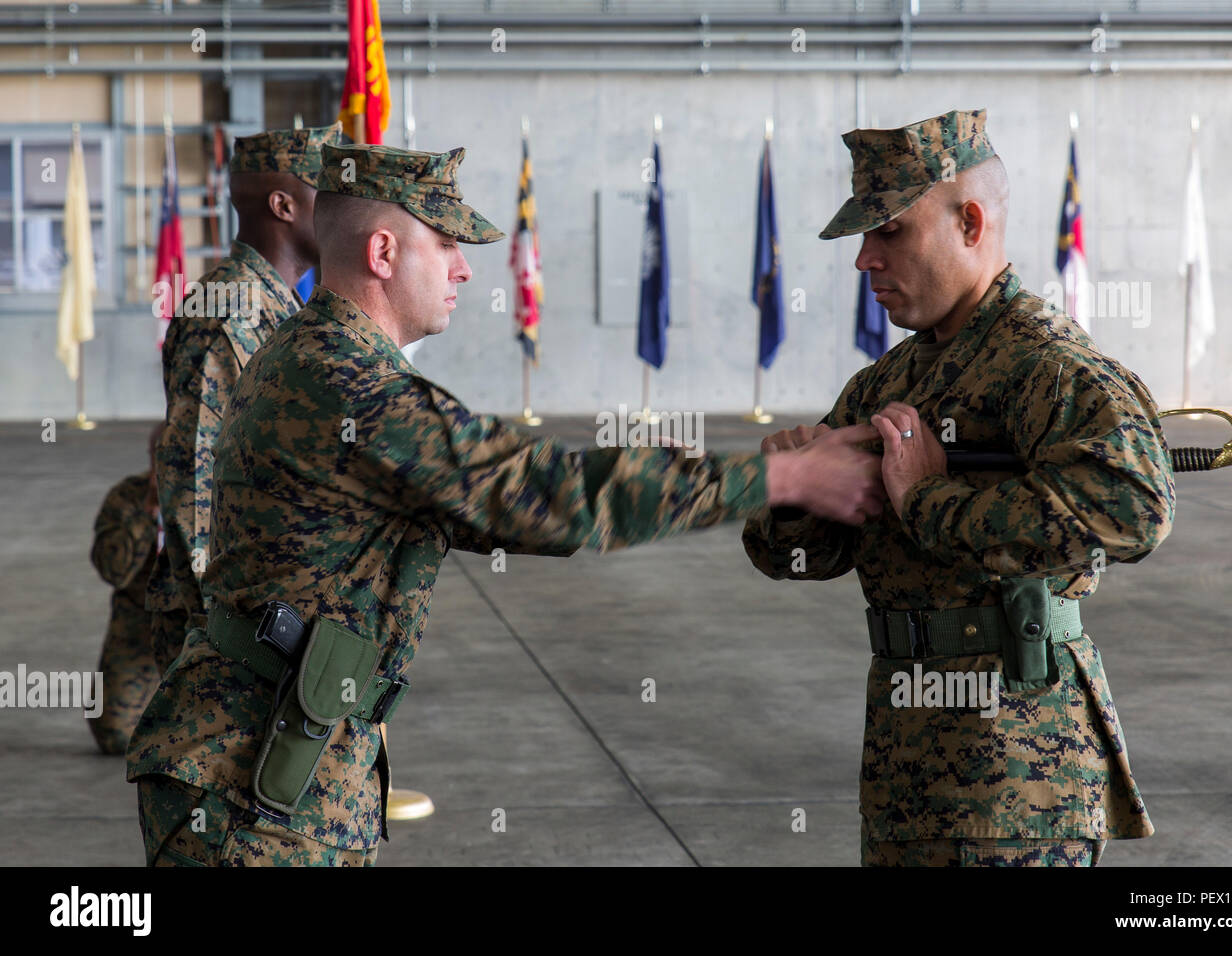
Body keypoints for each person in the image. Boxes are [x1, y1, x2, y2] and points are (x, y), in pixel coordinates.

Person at [126, 142, 879, 866]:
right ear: (383, 254)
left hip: (279, 754)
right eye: (447, 245)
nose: (462, 269)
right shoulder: (348, 384)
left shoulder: (313, 353)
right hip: (250, 778)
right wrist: (780, 481)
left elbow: (498, 503)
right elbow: (547, 494)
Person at [742, 108, 1176, 867]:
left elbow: (1136, 509)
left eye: (890, 232)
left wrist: (927, 502)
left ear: (970, 222)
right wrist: (793, 495)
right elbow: (797, 559)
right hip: (908, 766)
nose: (863, 261)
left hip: (1016, 769)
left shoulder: (1047, 364)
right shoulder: (892, 380)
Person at [146, 123, 342, 675]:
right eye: (324, 196)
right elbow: (193, 483)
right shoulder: (229, 314)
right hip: (225, 632)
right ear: (282, 204)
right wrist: (223, 638)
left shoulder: (278, 311)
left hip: (260, 613)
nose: (339, 211)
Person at [88, 424, 165, 754]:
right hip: (140, 623)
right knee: (115, 736)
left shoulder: (216, 495)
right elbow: (114, 572)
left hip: (201, 626)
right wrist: (148, 513)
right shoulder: (127, 497)